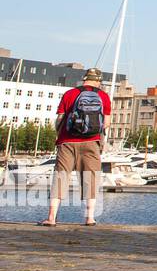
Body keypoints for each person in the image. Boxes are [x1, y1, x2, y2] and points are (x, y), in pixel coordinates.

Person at [39, 67, 110, 227]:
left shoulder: (70, 94)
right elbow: (106, 123)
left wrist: (59, 134)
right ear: (99, 81)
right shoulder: (103, 96)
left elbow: (60, 118)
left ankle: (51, 218)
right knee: (90, 178)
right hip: (92, 142)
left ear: (84, 78)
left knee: (60, 177)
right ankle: (89, 217)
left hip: (67, 141)